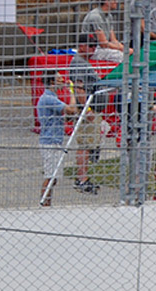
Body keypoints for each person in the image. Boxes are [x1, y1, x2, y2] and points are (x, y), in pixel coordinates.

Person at [67, 34, 104, 194]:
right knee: (85, 145)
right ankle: (82, 179)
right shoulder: (78, 63)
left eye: (95, 46)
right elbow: (79, 88)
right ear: (82, 46)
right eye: (91, 46)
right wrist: (87, 110)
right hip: (88, 111)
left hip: (93, 110)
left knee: (89, 145)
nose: (93, 49)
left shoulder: (84, 62)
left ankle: (84, 177)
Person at [37, 71, 78, 207]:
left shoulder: (53, 98)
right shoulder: (48, 98)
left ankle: (48, 202)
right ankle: (44, 203)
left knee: (54, 177)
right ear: (52, 82)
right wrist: (72, 92)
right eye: (60, 79)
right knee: (50, 176)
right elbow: (71, 109)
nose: (63, 81)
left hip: (55, 141)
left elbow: (66, 115)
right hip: (50, 142)